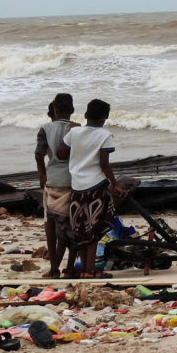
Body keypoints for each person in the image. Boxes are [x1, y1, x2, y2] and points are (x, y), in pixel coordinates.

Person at [58, 98, 123, 278]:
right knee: (94, 231)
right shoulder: (105, 135)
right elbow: (104, 163)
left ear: (86, 115)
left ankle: (85, 269)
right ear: (105, 118)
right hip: (96, 186)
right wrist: (115, 184)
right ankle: (90, 269)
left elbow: (61, 153)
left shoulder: (74, 132)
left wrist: (72, 138)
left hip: (77, 187)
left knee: (81, 230)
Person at [34, 93, 78, 279]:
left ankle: (54, 269)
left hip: (53, 182)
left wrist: (42, 174)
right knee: (73, 227)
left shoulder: (46, 128)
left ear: (54, 110)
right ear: (72, 110)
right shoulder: (76, 128)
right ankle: (70, 267)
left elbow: (39, 154)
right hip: (74, 181)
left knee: (51, 228)